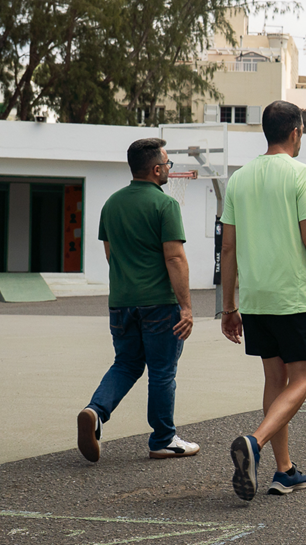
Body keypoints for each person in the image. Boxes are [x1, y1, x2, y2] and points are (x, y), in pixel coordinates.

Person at [219, 101, 306, 501]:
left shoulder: (239, 179)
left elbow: (228, 249)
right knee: (305, 379)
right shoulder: (302, 174)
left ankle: (284, 470)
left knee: (275, 380)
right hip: (293, 297)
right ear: (295, 132)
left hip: (256, 300)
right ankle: (254, 444)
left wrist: (229, 307)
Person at [77, 138, 198, 463]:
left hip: (121, 302)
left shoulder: (112, 204)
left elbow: (110, 253)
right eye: (168, 164)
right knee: (161, 371)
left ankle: (95, 410)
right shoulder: (165, 205)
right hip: (159, 302)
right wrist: (185, 306)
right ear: (157, 169)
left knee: (127, 364)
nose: (170, 169)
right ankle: (163, 439)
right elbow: (175, 258)